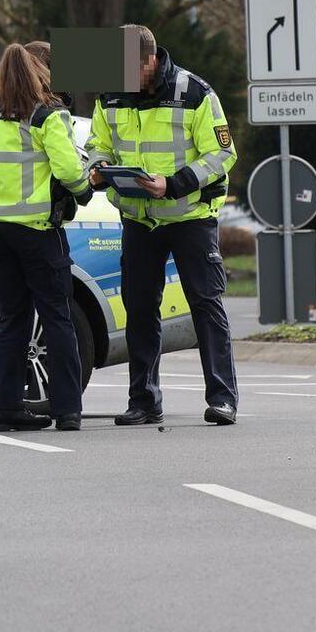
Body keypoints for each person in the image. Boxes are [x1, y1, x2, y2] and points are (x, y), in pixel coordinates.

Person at [87, 24, 239, 426]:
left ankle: (223, 398)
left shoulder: (195, 93)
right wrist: (100, 167)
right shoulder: (111, 93)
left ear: (150, 60)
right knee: (139, 308)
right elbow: (98, 143)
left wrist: (173, 184)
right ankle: (144, 400)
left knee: (206, 304)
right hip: (139, 218)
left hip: (189, 217)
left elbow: (223, 154)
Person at [0, 44, 93, 432]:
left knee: (12, 318)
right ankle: (67, 410)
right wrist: (85, 189)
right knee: (57, 317)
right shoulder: (47, 117)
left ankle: (3, 410)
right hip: (37, 231)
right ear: (43, 74)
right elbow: (70, 170)